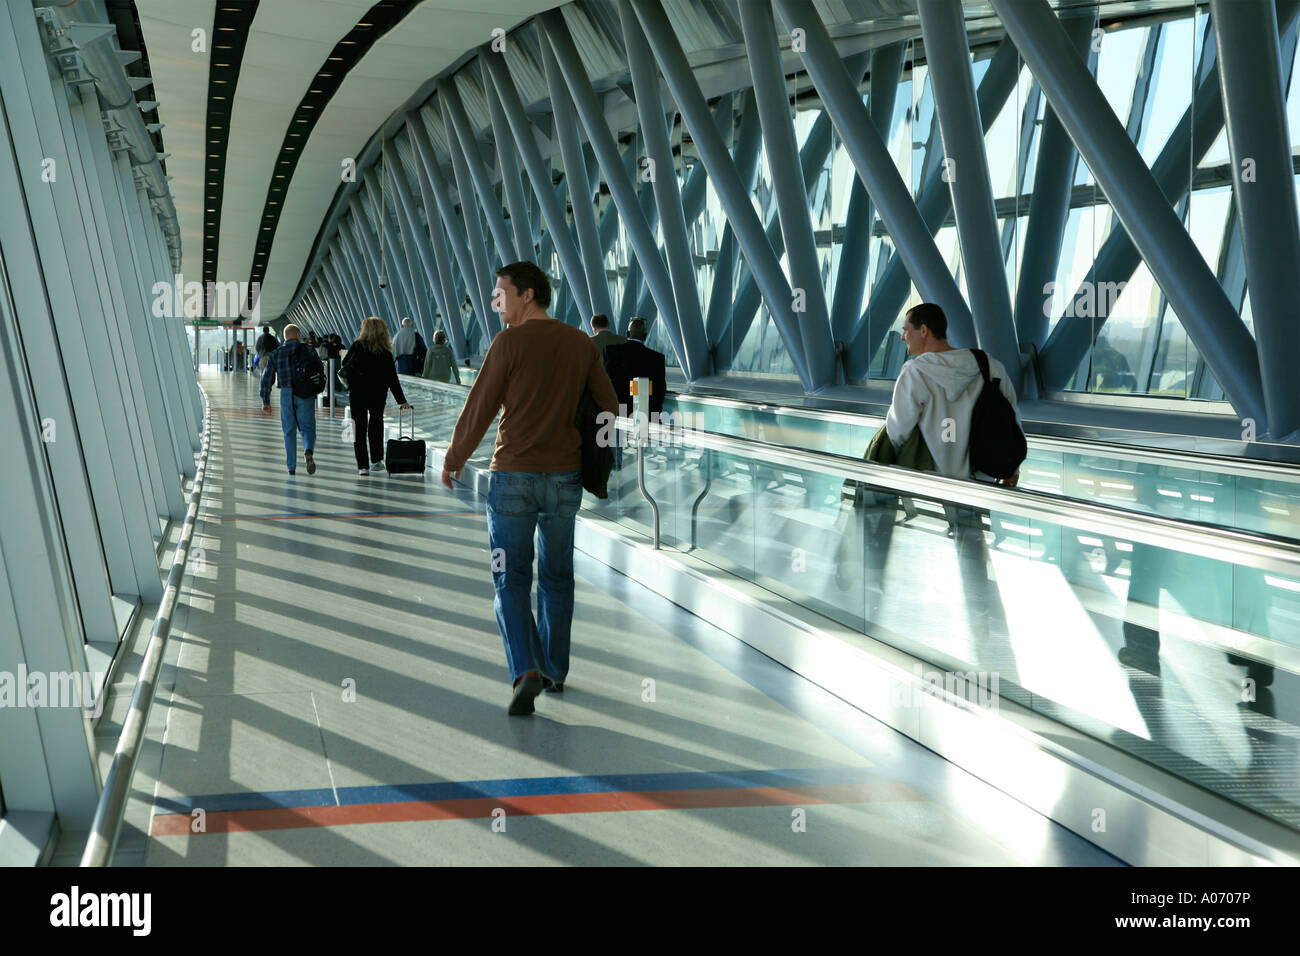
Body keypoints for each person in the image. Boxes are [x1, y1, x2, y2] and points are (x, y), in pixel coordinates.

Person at [442, 261, 618, 716]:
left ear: (528, 295)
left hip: (513, 478)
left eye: (501, 294)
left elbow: (481, 406)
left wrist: (454, 458)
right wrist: (589, 448)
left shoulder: (509, 343)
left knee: (510, 577)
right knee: (558, 577)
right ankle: (554, 669)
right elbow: (609, 405)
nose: (496, 302)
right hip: (564, 479)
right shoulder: (580, 344)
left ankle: (525, 670)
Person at [884, 302, 1021, 485]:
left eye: (906, 330)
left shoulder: (915, 372)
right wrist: (1013, 467)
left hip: (936, 479)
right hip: (985, 476)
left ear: (923, 330)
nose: (902, 337)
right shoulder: (989, 366)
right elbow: (1013, 418)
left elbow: (898, 430)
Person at [341, 316, 412, 475]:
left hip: (358, 392)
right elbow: (392, 379)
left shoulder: (357, 346)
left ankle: (362, 467)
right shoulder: (385, 352)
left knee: (359, 428)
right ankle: (376, 461)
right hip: (378, 393)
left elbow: (344, 364)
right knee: (376, 425)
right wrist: (402, 401)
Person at [260, 323, 322, 476]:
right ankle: (308, 450)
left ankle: (291, 468)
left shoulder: (276, 353)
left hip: (286, 393)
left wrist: (266, 401)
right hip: (305, 393)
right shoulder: (308, 349)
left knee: (289, 431)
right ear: (299, 335)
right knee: (308, 427)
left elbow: (266, 378)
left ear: (284, 337)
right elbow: (319, 369)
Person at [603, 317, 666, 419]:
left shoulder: (611, 352)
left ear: (627, 334)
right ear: (645, 336)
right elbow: (659, 390)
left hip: (617, 411)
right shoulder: (656, 358)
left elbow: (606, 381)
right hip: (644, 413)